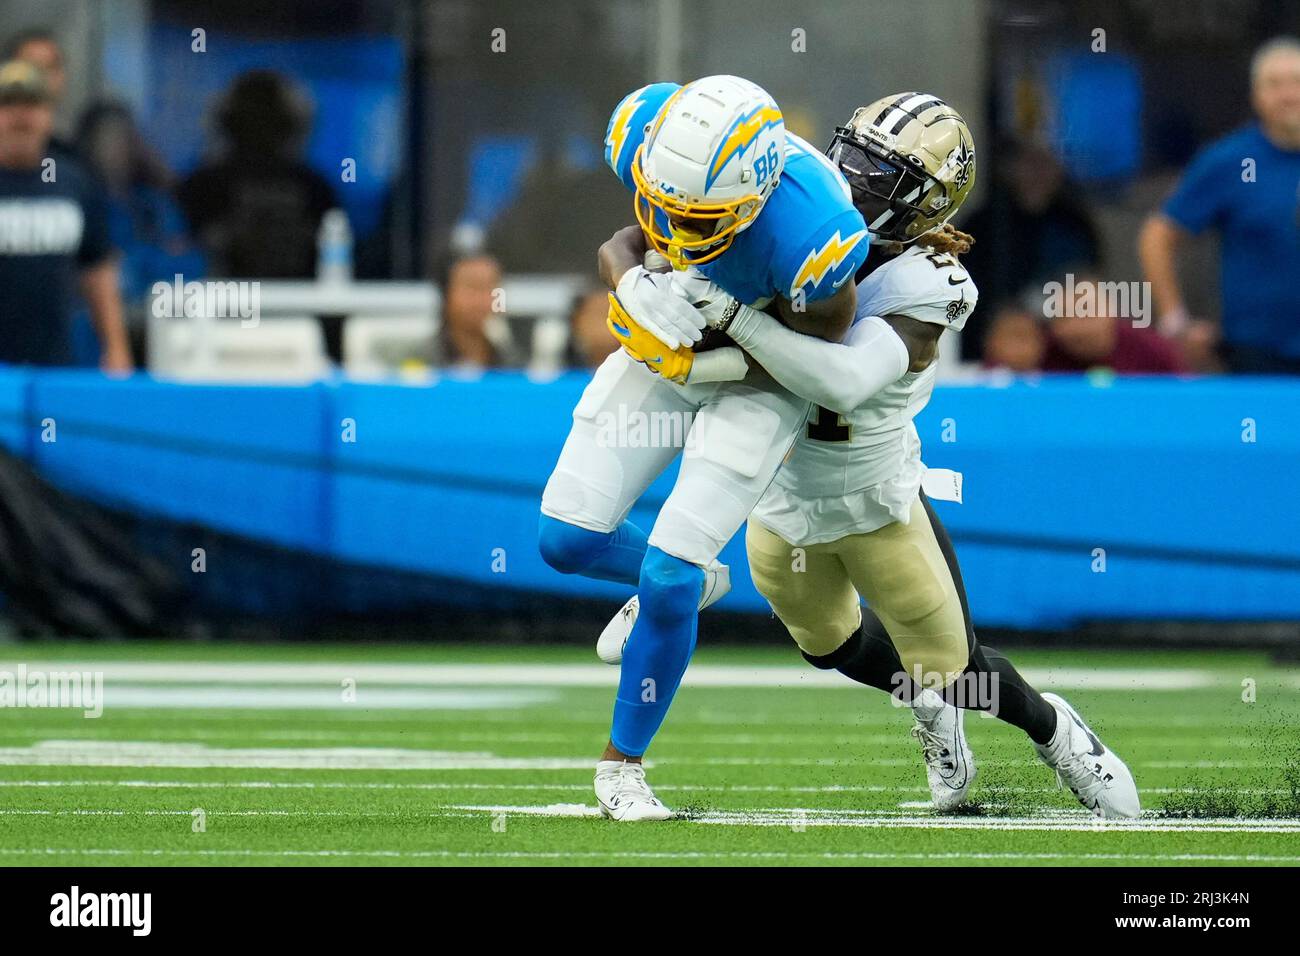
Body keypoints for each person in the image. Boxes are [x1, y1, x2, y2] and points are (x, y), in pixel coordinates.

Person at [603, 95, 1140, 819]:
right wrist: (634, 281)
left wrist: (725, 320)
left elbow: (840, 376)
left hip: (873, 498)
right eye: (851, 154)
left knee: (956, 670)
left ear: (924, 202)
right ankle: (924, 703)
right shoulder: (783, 206)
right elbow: (631, 236)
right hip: (781, 496)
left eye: (880, 172)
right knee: (827, 646)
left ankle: (1056, 732)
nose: (850, 177)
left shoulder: (930, 284)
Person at [537, 75, 868, 821]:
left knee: (667, 577)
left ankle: (622, 768)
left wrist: (724, 354)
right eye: (667, 207)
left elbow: (822, 352)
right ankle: (694, 585)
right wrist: (629, 283)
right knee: (564, 538)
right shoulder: (653, 135)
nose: (677, 234)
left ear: (753, 194)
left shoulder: (814, 230)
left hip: (762, 377)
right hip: (677, 339)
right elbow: (626, 241)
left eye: (703, 218)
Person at [1139, 36, 1300, 374]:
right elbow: (1157, 237)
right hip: (1257, 356)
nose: (1289, 95)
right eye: (1274, 84)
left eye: (1297, 82)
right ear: (1256, 96)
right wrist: (1176, 322)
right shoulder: (1230, 161)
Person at [0, 61, 131, 372]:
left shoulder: (72, 181)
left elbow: (97, 268)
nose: (21, 116)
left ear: (49, 115)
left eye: (32, 105)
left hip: (54, 366)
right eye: (8, 104)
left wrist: (116, 347)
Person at [178, 70, 336, 279]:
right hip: (281, 305)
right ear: (292, 125)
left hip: (242, 305)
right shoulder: (314, 185)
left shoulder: (200, 183)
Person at [75, 101, 205, 306]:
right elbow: (80, 272)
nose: (114, 149)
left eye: (121, 138)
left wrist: (134, 262)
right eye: (105, 139)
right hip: (93, 320)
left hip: (159, 318)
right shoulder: (77, 205)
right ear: (88, 144)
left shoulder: (153, 202)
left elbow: (190, 265)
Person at [434, 252, 522, 368]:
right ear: (446, 294)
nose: (482, 299)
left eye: (491, 287)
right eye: (472, 287)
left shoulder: (513, 362)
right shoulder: (424, 359)